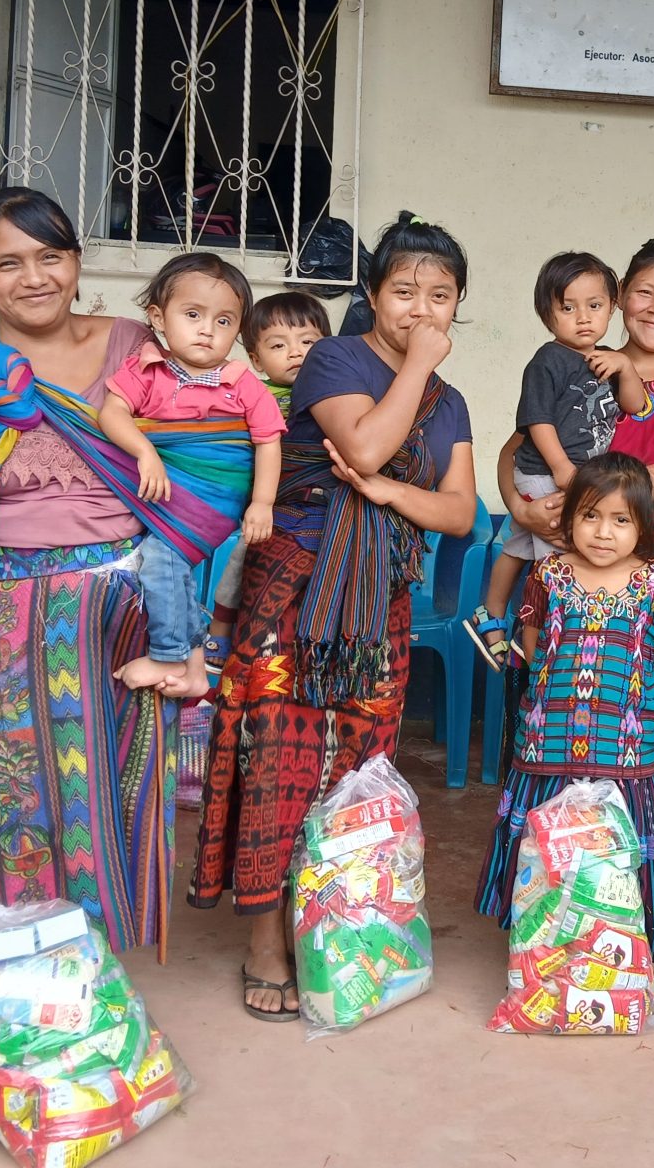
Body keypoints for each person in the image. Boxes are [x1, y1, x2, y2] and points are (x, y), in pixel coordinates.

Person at [0, 181, 176, 1140]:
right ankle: (19, 1036)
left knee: (110, 805)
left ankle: (99, 1018)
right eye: (6, 262)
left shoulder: (138, 350)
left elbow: (214, 445)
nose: (33, 277)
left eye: (49, 255)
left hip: (123, 612)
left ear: (77, 256)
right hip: (8, 619)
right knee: (16, 811)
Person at [191, 211, 476, 1020]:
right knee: (277, 754)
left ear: (460, 304)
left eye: (441, 296)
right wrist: (417, 367)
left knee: (357, 765)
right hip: (296, 585)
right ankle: (264, 940)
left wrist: (388, 495)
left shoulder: (451, 405)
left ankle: (336, 924)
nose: (422, 309)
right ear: (374, 296)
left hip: (377, 598)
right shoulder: (332, 359)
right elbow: (370, 442)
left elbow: (458, 512)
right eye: (404, 292)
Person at [500, 237, 654, 899]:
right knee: (556, 706)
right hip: (572, 571)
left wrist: (602, 495)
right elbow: (518, 446)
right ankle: (546, 867)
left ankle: (641, 880)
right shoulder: (577, 364)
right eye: (644, 292)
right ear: (616, 299)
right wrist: (521, 512)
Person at [474, 452, 654, 958]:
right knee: (545, 839)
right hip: (549, 740)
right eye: (589, 515)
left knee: (616, 847)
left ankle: (620, 941)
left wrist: (639, 695)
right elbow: (533, 646)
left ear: (642, 526)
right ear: (569, 518)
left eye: (620, 520)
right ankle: (539, 938)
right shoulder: (547, 575)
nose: (603, 532)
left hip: (625, 748)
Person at [99, 252, 286, 699]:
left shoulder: (241, 381)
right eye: (193, 314)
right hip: (165, 488)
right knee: (172, 565)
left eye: (224, 321)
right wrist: (145, 451)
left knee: (161, 561)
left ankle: (166, 654)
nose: (208, 329)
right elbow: (112, 414)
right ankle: (196, 666)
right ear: (158, 318)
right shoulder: (146, 369)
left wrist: (262, 504)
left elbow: (267, 442)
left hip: (217, 494)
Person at [467, 252, 652, 666]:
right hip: (544, 473)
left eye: (595, 306)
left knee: (517, 543)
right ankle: (546, 630)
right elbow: (537, 421)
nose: (583, 317)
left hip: (573, 477)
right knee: (561, 554)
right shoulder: (547, 361)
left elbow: (635, 404)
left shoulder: (605, 359)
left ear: (613, 306)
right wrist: (562, 469)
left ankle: (490, 613)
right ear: (547, 315)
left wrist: (625, 366)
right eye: (567, 308)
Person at [205, 290, 333, 659]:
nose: (296, 352)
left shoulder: (334, 397)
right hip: (264, 511)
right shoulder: (251, 394)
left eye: (308, 341)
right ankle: (219, 635)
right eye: (279, 345)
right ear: (256, 360)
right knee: (238, 567)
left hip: (318, 514)